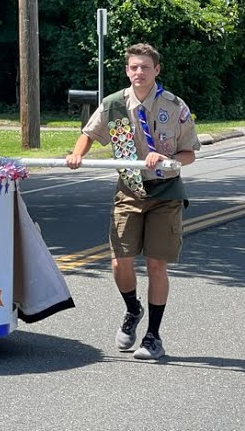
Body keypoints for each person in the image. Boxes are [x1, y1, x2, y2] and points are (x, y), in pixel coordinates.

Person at [65, 43, 200, 361]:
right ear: (127, 70)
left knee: (156, 263)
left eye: (145, 67)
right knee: (119, 261)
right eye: (134, 67)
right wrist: (77, 154)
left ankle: (153, 336)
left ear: (157, 70)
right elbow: (89, 133)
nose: (139, 72)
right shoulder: (113, 105)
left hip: (165, 192)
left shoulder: (174, 106)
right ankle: (132, 309)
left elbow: (189, 153)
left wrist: (165, 157)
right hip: (129, 189)